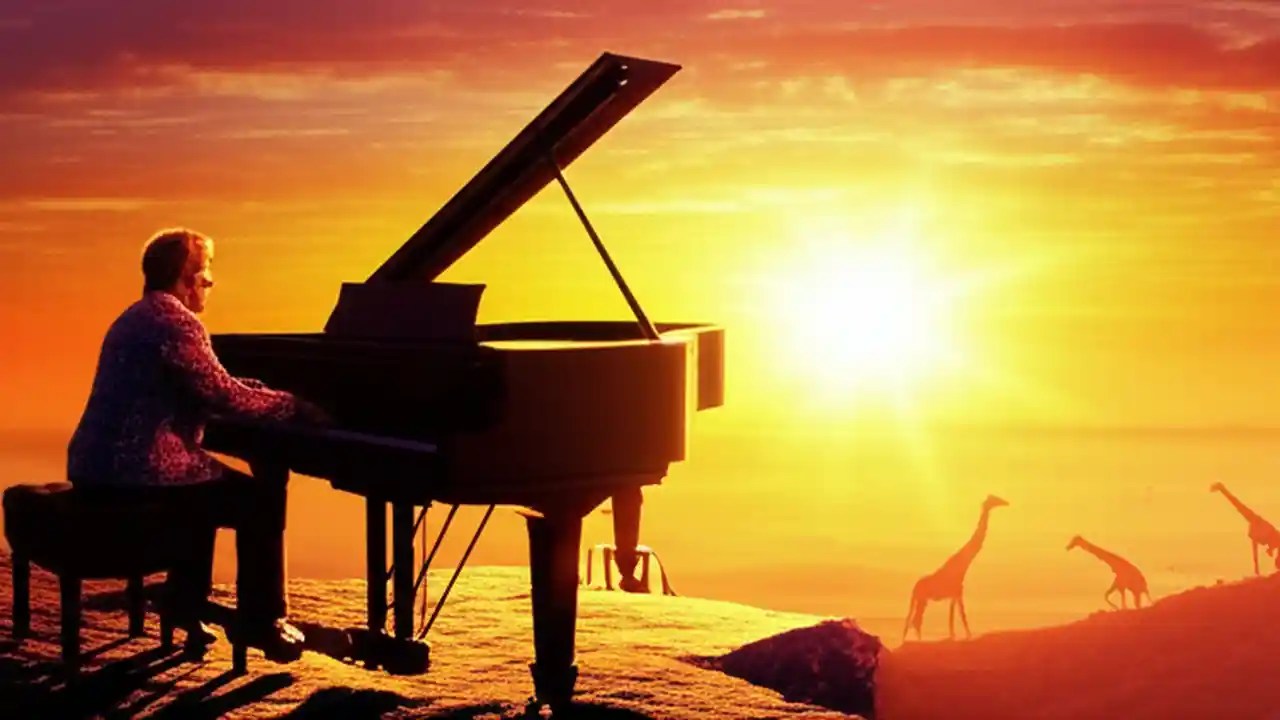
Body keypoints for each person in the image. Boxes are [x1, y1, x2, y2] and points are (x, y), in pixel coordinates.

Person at [67, 227, 324, 660]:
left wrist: (254, 388)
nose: (209, 287)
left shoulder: (138, 315)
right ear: (185, 279)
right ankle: (263, 621)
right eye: (205, 277)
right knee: (258, 500)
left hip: (95, 466)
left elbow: (207, 383)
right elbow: (222, 395)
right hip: (138, 473)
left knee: (204, 478)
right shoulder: (178, 322)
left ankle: (185, 602)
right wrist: (293, 404)